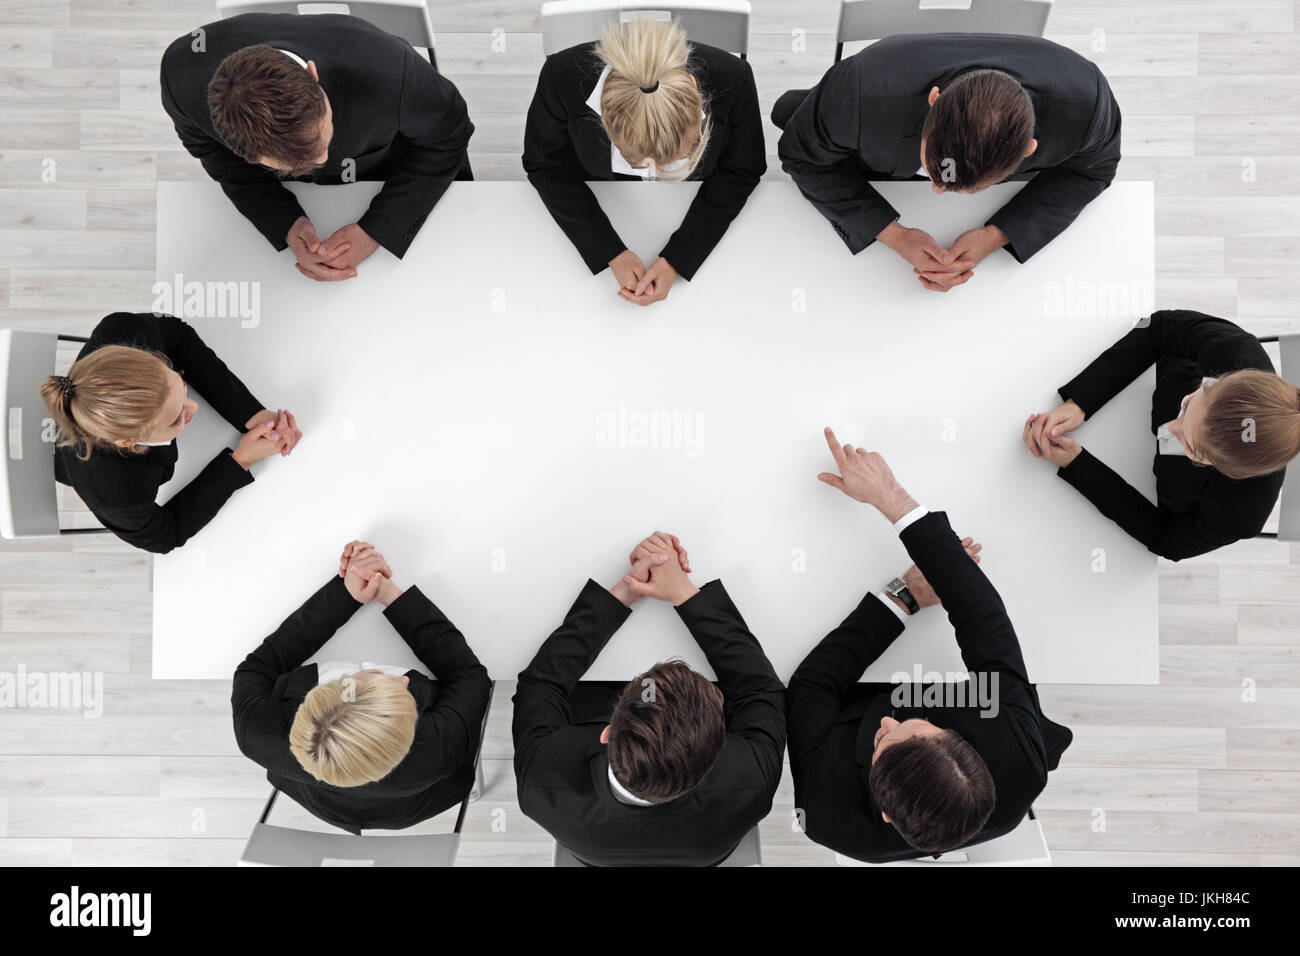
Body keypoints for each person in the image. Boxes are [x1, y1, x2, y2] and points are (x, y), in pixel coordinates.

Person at [787, 428, 1073, 863]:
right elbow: (984, 623)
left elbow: (811, 684)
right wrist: (891, 497)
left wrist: (903, 597)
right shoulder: (1016, 756)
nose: (887, 721)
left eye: (884, 741)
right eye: (916, 726)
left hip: (854, 697)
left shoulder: (825, 811)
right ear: (964, 745)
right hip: (961, 691)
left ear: (884, 813)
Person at [512, 532, 785, 865]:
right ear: (718, 747)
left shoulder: (541, 785)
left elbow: (539, 685)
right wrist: (684, 593)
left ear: (608, 732)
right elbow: (759, 689)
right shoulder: (751, 782)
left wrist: (625, 591)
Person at [774, 33, 1121, 292]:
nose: (937, 190)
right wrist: (894, 235)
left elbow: (1094, 171)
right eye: (937, 173)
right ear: (934, 100)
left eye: (957, 184)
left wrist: (996, 235)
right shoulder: (859, 90)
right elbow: (801, 156)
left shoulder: (1087, 107)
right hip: (872, 130)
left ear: (1028, 150)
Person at [161, 12, 474, 281]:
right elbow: (215, 156)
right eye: (296, 160)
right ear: (243, 150)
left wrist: (377, 230)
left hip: (396, 168)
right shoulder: (180, 79)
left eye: (321, 136)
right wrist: (284, 221)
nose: (324, 158)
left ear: (313, 74)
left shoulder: (394, 73)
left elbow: (451, 134)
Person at [231, 541, 492, 833]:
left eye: (363, 679)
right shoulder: (436, 750)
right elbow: (469, 675)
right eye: (398, 689)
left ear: (323, 693)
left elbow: (258, 667)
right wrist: (392, 597)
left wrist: (345, 595)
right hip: (412, 803)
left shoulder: (255, 733)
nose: (404, 679)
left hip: (322, 800)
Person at [522, 19, 765, 306]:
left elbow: (742, 168)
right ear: (603, 118)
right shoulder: (559, 77)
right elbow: (546, 165)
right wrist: (607, 250)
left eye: (683, 154)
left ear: (693, 87)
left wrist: (681, 257)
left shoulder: (735, 80)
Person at [1024, 309, 1299, 561]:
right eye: (1187, 406)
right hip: (1149, 385)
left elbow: (1166, 539)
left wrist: (1078, 465)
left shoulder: (1241, 515)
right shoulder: (1235, 351)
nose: (1171, 429)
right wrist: (1081, 402)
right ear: (1217, 381)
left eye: (1192, 447)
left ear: (1226, 471)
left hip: (1156, 488)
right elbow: (1155, 328)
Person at [41, 311, 300, 554]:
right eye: (177, 419)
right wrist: (240, 460)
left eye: (182, 385)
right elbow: (166, 535)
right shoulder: (116, 492)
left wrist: (249, 413)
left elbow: (178, 337)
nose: (195, 407)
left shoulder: (124, 331)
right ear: (128, 441)